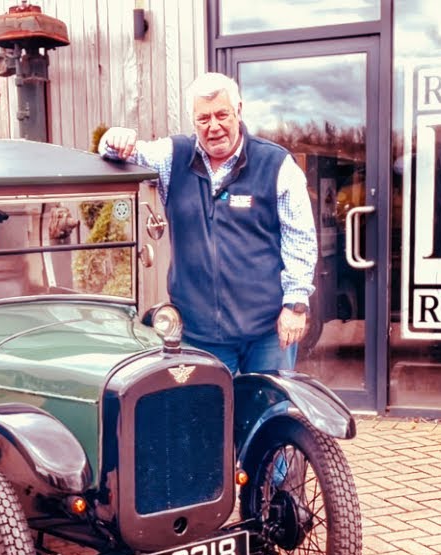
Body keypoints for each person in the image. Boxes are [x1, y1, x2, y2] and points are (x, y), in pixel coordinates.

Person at [99, 71, 318, 375]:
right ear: (193, 121)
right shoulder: (173, 157)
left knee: (269, 413)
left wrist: (295, 304)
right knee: (207, 417)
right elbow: (122, 153)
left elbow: (300, 238)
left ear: (238, 111)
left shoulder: (277, 165)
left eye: (222, 115)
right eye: (203, 119)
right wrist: (113, 139)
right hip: (200, 334)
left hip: (266, 330)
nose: (214, 127)